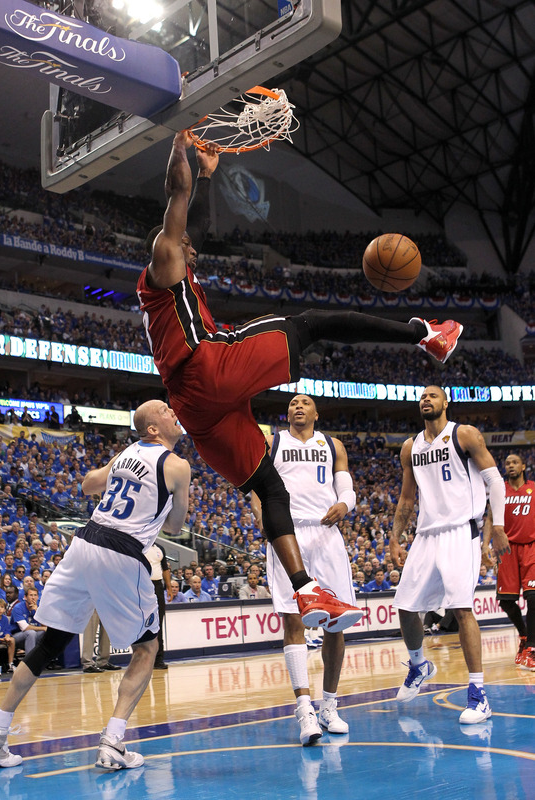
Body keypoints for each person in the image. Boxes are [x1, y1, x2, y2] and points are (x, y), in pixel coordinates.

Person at [137, 132, 463, 632]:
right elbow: (176, 203)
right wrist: (179, 151)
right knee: (310, 325)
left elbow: (193, 220)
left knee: (269, 485)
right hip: (207, 365)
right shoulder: (164, 264)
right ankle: (424, 336)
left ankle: (306, 590)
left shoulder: (180, 270)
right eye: (184, 243)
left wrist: (206, 174)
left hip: (195, 407)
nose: (191, 245)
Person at [0, 400, 190, 770]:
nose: (174, 413)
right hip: (121, 550)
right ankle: (113, 742)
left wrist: (122, 477)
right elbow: (172, 527)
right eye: (166, 411)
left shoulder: (125, 453)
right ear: (153, 428)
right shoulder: (178, 465)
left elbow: (88, 484)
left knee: (52, 641)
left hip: (85, 543)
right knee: (147, 649)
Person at [389, 385, 510, 724]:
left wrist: (497, 526)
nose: (426, 400)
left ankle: (478, 694)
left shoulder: (465, 435)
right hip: (426, 534)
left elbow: (495, 481)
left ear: (445, 403)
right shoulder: (410, 447)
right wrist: (395, 539)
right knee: (405, 605)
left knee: (461, 608)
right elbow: (407, 499)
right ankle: (419, 665)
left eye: (433, 396)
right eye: (422, 397)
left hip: (461, 529)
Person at [251, 394, 360, 746]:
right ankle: (304, 710)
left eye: (305, 402)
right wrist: (261, 519)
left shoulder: (333, 444)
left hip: (326, 533)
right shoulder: (273, 441)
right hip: (288, 532)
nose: (298, 405)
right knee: (293, 619)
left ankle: (329, 704)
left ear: (316, 412)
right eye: (293, 402)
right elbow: (255, 485)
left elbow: (346, 487)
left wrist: (345, 503)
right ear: (288, 413)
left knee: (336, 620)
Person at [483, 452, 535, 670]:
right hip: (506, 549)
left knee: (533, 597)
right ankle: (524, 636)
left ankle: (532, 648)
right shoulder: (499, 490)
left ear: (523, 466)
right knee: (505, 600)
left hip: (531, 547)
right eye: (507, 463)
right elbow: (490, 518)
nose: (511, 466)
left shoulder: (533, 488)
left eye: (515, 462)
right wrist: (484, 545)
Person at [144, 541, 172, 669]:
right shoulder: (139, 547)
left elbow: (165, 568)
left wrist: (169, 588)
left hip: (158, 586)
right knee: (143, 624)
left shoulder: (159, 548)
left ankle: (159, 659)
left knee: (159, 622)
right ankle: (143, 659)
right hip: (142, 586)